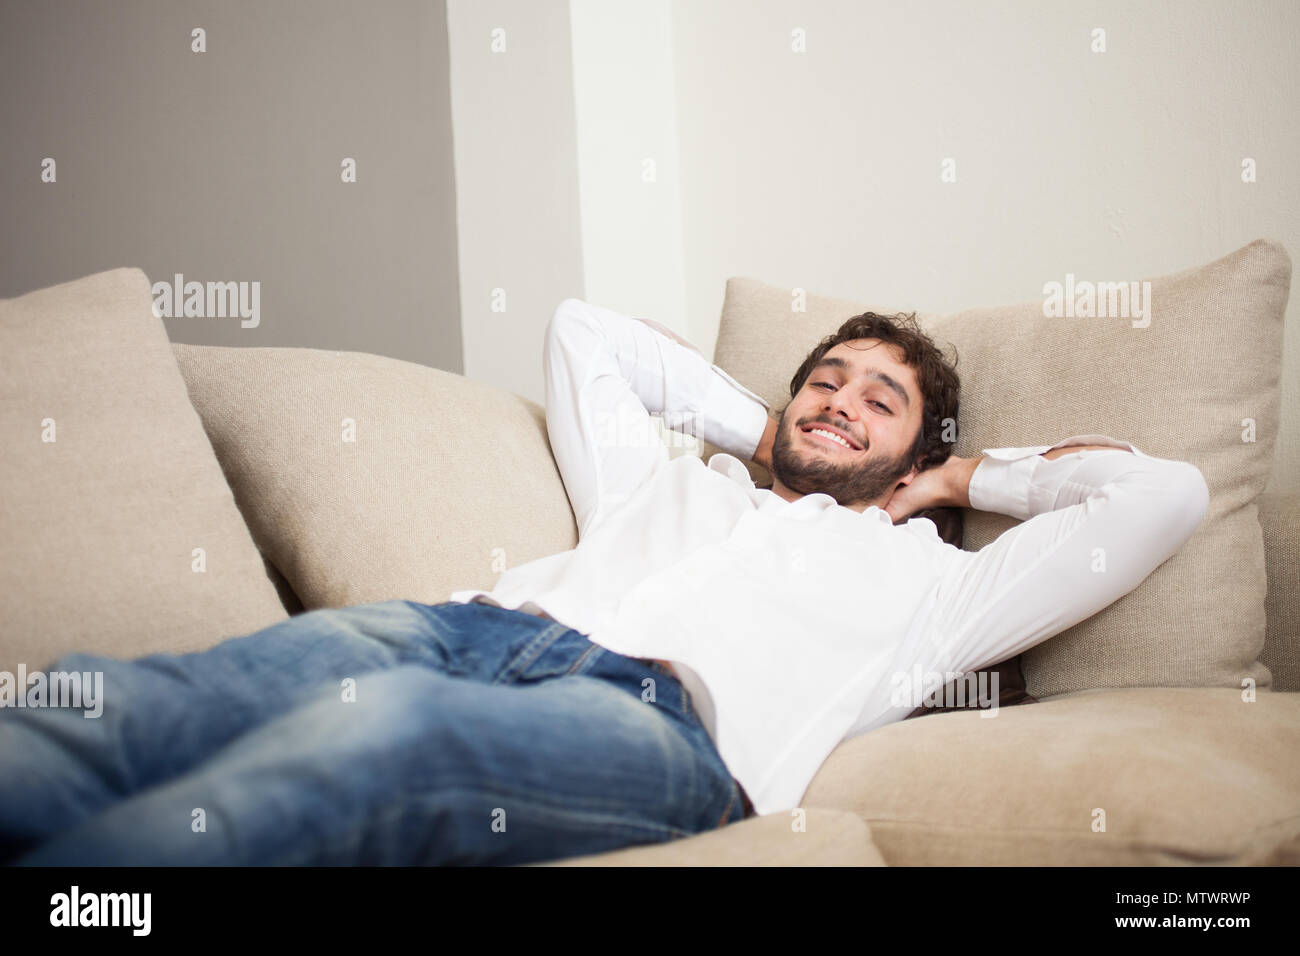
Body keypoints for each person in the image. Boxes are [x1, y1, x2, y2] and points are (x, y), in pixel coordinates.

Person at [0, 298, 1209, 866]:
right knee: (136, 702)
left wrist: (953, 486)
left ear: (922, 441)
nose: (839, 399)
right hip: (455, 630)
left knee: (392, 741)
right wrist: (770, 435)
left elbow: (1161, 496)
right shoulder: (663, 483)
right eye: (823, 380)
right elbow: (586, 333)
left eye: (877, 399)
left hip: (652, 730)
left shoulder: (937, 592)